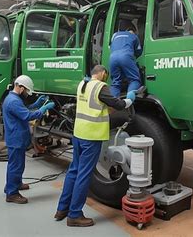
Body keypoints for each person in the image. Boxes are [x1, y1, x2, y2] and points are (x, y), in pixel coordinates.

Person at [54, 65, 135, 227]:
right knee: (84, 175)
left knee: (74, 171)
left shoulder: (82, 84)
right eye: (107, 75)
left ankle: (62, 209)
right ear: (103, 73)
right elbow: (118, 104)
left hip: (78, 134)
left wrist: (107, 109)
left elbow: (94, 106)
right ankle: (75, 215)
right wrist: (130, 99)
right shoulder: (100, 86)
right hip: (91, 137)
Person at [3, 75, 55, 204]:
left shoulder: (12, 98)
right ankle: (12, 193)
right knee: (16, 165)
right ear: (20, 87)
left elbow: (23, 110)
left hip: (15, 137)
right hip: (16, 139)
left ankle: (15, 184)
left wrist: (36, 104)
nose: (27, 94)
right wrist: (43, 109)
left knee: (16, 164)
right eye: (26, 91)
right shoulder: (14, 101)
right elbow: (27, 115)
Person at [109, 19, 143, 97]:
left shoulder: (114, 35)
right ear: (132, 30)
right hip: (126, 56)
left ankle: (114, 105)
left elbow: (111, 46)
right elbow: (139, 52)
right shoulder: (134, 36)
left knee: (116, 83)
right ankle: (128, 102)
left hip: (112, 57)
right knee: (134, 80)